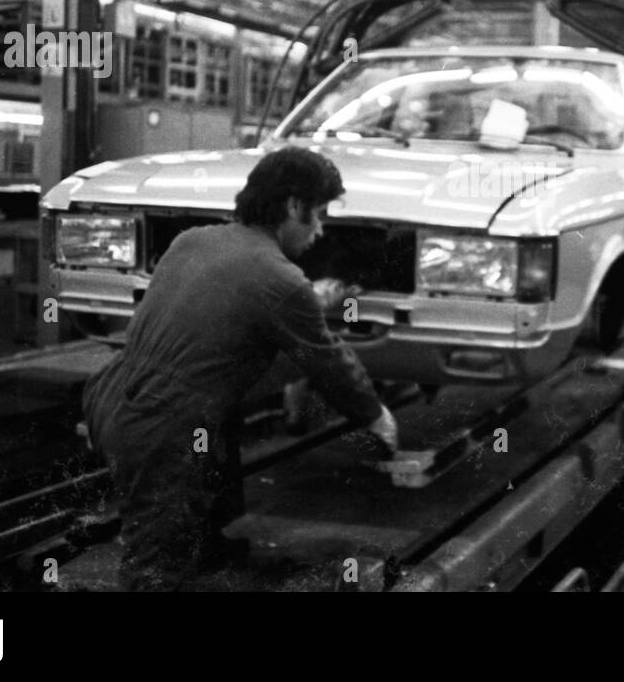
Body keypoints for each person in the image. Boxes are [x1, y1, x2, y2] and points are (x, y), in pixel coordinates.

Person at [81, 147, 398, 591]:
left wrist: (308, 299)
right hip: (162, 427)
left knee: (194, 483)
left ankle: (206, 548)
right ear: (294, 206)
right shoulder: (280, 280)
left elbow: (227, 310)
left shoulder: (192, 241)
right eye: (320, 215)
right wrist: (376, 415)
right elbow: (328, 360)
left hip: (112, 397)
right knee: (154, 565)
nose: (321, 230)